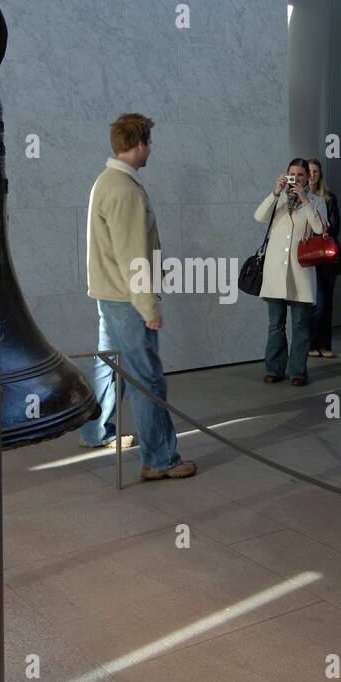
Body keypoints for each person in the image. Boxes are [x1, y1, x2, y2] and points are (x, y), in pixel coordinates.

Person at [81, 113, 196, 481]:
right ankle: (160, 460)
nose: (151, 149)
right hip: (128, 300)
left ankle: (95, 430)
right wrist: (148, 306)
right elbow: (133, 256)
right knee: (147, 378)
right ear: (141, 143)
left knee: (109, 367)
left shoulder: (107, 181)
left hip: (111, 295)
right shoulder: (125, 189)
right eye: (150, 142)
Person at [255, 159, 324, 386]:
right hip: (275, 272)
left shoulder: (316, 202)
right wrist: (275, 192)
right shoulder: (279, 199)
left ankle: (298, 372)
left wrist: (305, 202)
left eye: (300, 175)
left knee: (301, 326)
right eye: (291, 174)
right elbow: (259, 216)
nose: (296, 178)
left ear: (307, 178)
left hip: (301, 273)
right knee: (275, 324)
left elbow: (321, 229)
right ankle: (274, 368)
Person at [307, 157, 341, 358]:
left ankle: (325, 344)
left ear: (320, 175)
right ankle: (312, 343)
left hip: (327, 257)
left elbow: (335, 227)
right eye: (309, 171)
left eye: (315, 172)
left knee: (327, 302)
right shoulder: (301, 197)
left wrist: (321, 227)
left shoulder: (329, 198)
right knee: (317, 302)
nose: (312, 175)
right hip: (308, 257)